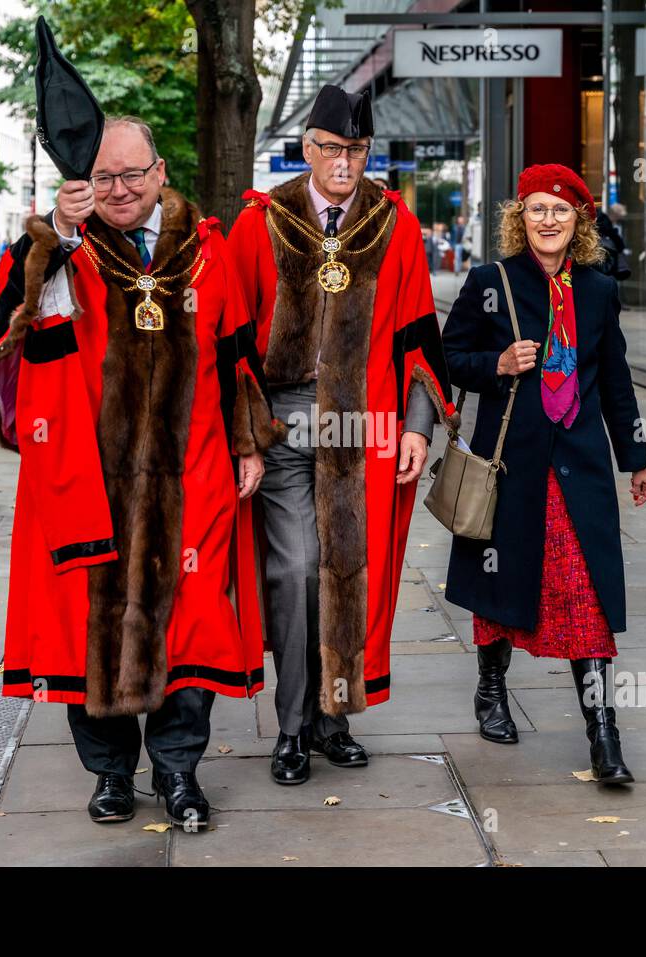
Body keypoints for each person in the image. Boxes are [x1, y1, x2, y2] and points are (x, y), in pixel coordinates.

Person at [0, 20, 284, 832]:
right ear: (82, 179)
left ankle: (179, 772)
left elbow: (237, 354)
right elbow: (11, 341)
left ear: (160, 173)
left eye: (132, 173)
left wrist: (250, 439)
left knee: (192, 621)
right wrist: (61, 234)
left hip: (196, 474)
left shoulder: (207, 251)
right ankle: (111, 772)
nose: (118, 188)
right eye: (101, 175)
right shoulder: (64, 254)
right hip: (90, 479)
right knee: (92, 623)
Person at [228, 84, 457, 785]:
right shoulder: (262, 223)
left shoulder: (394, 225)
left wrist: (421, 427)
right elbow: (232, 338)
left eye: (357, 150)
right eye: (332, 149)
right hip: (284, 421)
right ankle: (293, 726)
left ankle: (334, 718)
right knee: (295, 568)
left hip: (364, 426)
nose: (346, 164)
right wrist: (244, 437)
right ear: (308, 149)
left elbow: (420, 333)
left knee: (347, 574)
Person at [441, 163, 646, 785]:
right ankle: (490, 687)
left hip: (579, 466)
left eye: (561, 211)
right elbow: (451, 357)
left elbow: (615, 379)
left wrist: (635, 458)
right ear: (520, 218)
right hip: (512, 463)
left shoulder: (597, 290)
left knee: (584, 593)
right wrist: (498, 362)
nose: (549, 220)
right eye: (537, 209)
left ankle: (603, 734)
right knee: (501, 585)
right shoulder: (490, 282)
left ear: (579, 221)